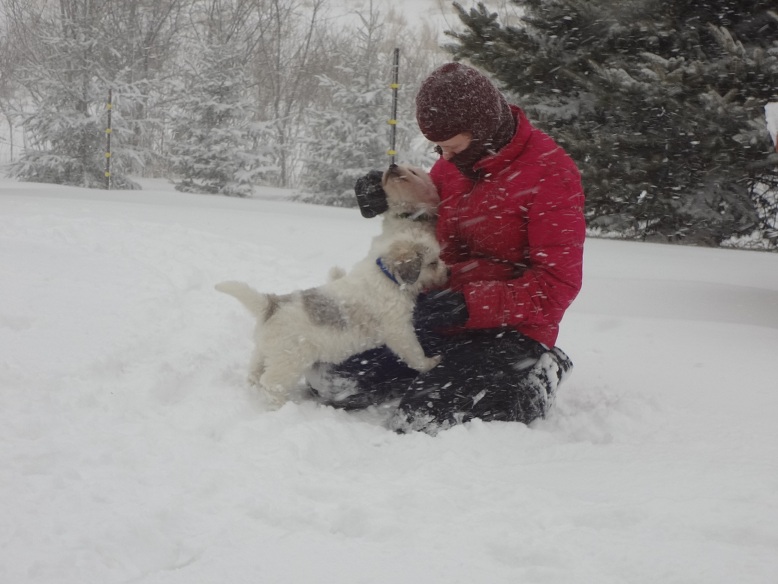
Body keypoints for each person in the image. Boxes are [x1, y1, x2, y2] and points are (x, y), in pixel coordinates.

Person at [306, 62, 586, 435]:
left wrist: (469, 304)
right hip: (440, 315)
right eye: (439, 148)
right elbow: (429, 217)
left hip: (510, 329)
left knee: (425, 419)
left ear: (483, 128)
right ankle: (447, 370)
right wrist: (389, 195)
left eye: (452, 146)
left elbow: (556, 287)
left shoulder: (551, 175)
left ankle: (542, 371)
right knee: (331, 379)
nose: (445, 158)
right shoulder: (456, 163)